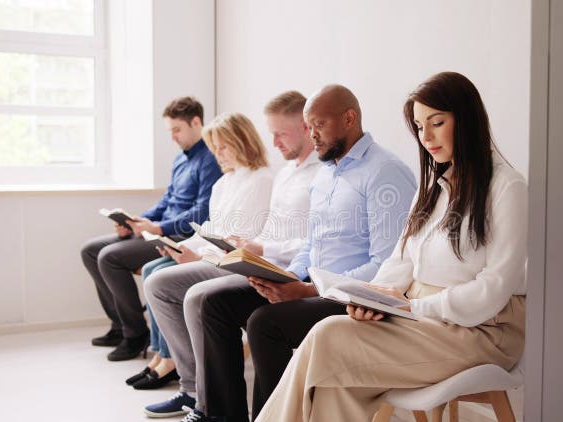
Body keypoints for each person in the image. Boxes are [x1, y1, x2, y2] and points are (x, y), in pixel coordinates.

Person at [255, 71, 528, 422]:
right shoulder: (434, 186)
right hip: (424, 319)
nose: (425, 136)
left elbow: (494, 289)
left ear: (468, 119)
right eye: (418, 126)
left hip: (482, 332)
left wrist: (414, 307)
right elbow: (400, 261)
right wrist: (370, 298)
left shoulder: (508, 188)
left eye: (437, 122)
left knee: (328, 339)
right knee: (334, 377)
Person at [180, 84, 417, 422]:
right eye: (309, 126)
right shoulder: (325, 174)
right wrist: (290, 275)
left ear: (349, 118)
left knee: (265, 323)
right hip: (310, 285)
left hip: (353, 300)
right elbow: (311, 243)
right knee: (214, 304)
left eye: (318, 125)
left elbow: (386, 265)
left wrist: (308, 290)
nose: (312, 135)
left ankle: (274, 417)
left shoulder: (385, 172)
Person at [141, 91, 322, 417]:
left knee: (182, 291)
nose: (275, 142)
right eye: (273, 134)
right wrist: (192, 249)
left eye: (281, 133)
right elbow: (226, 229)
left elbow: (302, 241)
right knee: (164, 280)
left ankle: (199, 393)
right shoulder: (280, 175)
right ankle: (200, 394)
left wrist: (243, 250)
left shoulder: (285, 177)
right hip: (258, 259)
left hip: (276, 265)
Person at [128, 111, 275, 390]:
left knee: (157, 279)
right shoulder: (225, 181)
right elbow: (210, 229)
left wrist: (199, 256)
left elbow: (238, 241)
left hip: (235, 263)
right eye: (214, 148)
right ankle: (168, 357)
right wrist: (183, 246)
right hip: (216, 256)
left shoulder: (260, 180)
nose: (218, 155)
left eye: (223, 147)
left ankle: (186, 373)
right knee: (152, 270)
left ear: (243, 141)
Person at [80, 97, 222, 361]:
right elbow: (167, 200)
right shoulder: (181, 159)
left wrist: (157, 227)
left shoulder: (211, 158)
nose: (173, 137)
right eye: (170, 131)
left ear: (196, 122)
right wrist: (135, 221)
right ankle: (120, 326)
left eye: (177, 130)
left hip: (180, 235)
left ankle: (135, 335)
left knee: (109, 257)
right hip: (158, 229)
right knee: (90, 250)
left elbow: (203, 212)